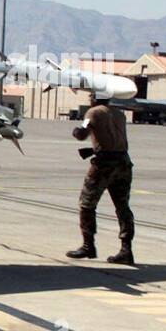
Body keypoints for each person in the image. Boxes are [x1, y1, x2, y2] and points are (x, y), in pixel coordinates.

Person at [67, 88, 136, 265]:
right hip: (123, 163)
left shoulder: (93, 112)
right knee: (123, 207)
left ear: (96, 98)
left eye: (91, 95)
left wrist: (76, 129)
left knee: (86, 204)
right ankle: (126, 249)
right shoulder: (120, 114)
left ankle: (88, 245)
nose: (89, 98)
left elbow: (82, 134)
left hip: (104, 165)